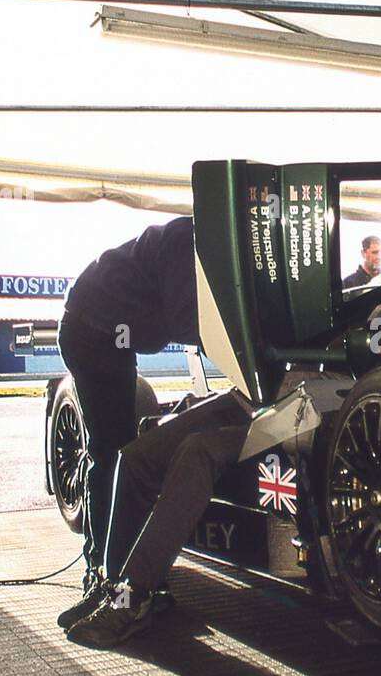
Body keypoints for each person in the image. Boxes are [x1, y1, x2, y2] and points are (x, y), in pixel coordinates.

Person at [57, 218, 200, 622]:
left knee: (121, 451)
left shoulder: (198, 240)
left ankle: (126, 568)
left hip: (113, 333)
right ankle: (103, 575)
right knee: (112, 454)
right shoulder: (186, 239)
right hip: (91, 333)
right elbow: (185, 318)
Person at [61, 387, 254, 647]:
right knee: (134, 458)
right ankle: (114, 588)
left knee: (198, 452)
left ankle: (132, 599)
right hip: (251, 398)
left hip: (310, 403)